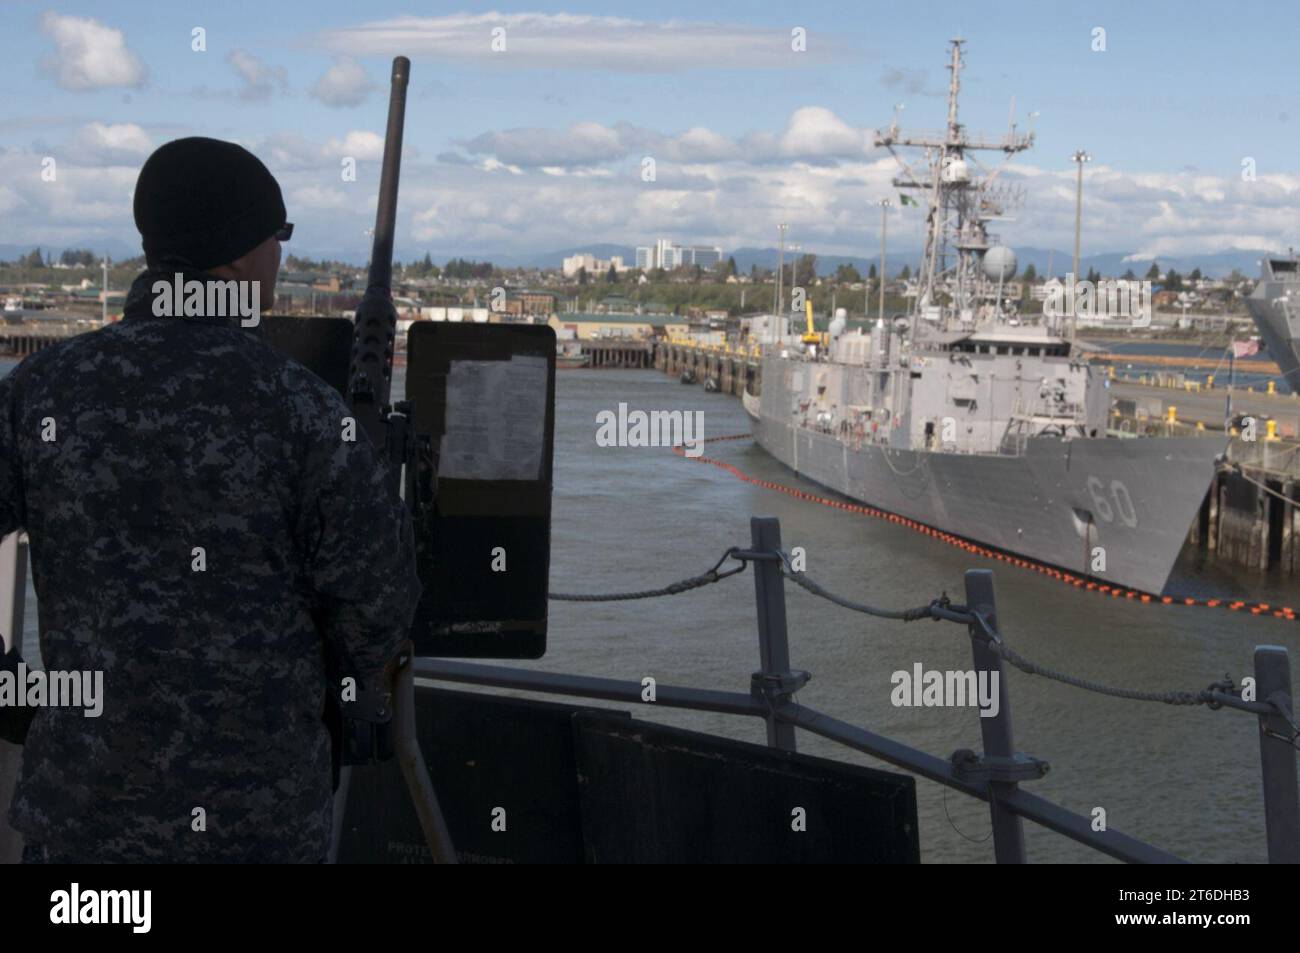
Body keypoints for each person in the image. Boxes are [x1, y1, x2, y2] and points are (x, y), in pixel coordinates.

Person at [0, 137, 422, 862]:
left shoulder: (41, 390)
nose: (279, 258)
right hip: (255, 830)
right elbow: (378, 612)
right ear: (236, 256)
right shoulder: (306, 414)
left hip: (82, 831)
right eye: (278, 237)